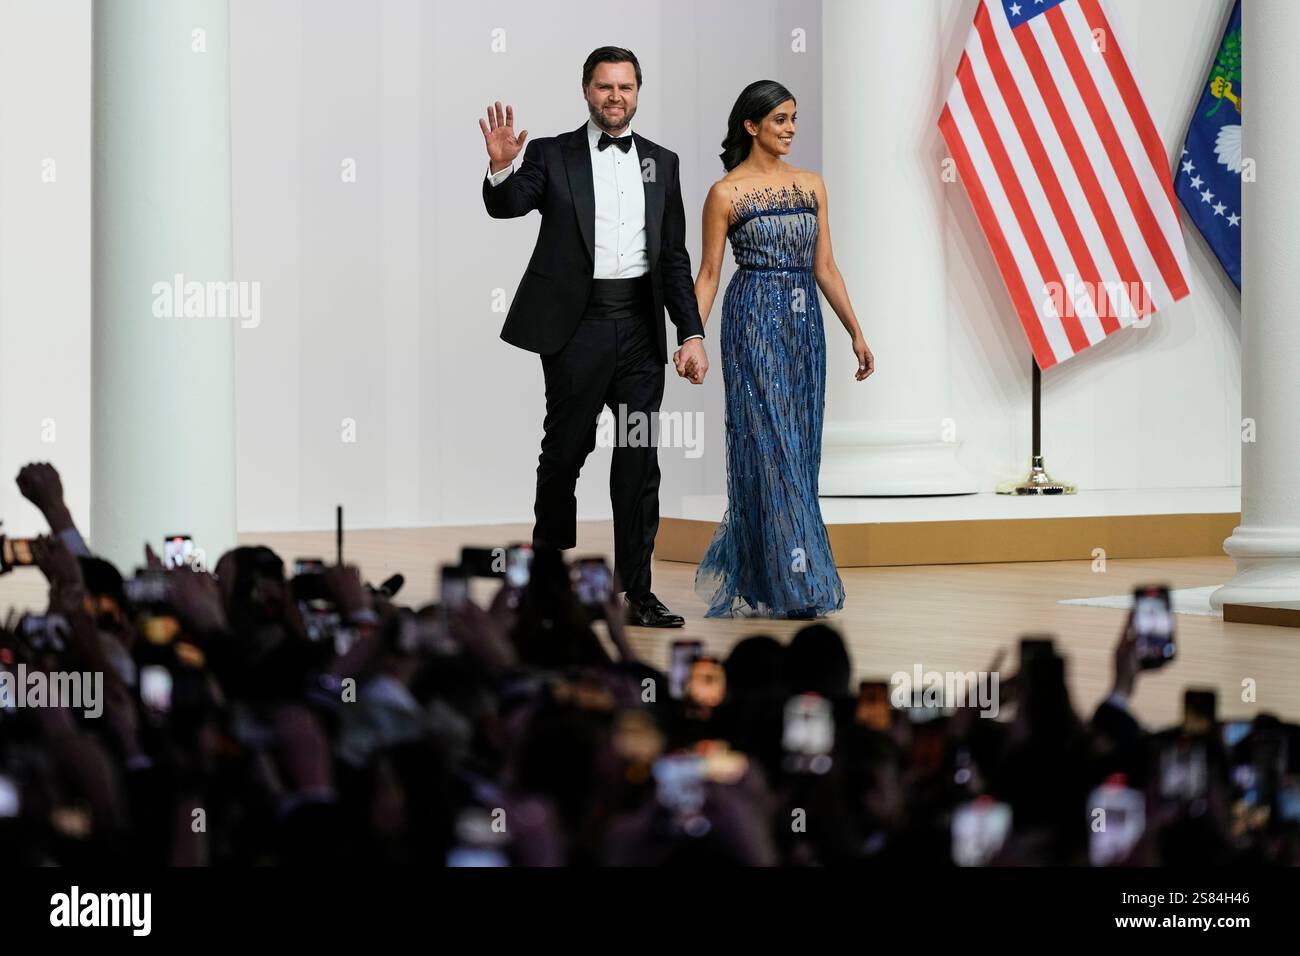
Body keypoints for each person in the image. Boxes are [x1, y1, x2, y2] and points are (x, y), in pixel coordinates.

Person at [479, 46, 707, 628]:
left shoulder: (662, 162)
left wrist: (692, 332)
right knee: (564, 454)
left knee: (639, 457)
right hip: (576, 331)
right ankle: (549, 586)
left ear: (638, 92)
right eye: (604, 86)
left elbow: (675, 257)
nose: (615, 96)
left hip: (638, 334)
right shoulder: (552, 155)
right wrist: (501, 168)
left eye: (625, 87)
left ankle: (637, 592)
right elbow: (507, 207)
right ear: (586, 90)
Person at [687, 81, 874, 619]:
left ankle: (772, 575)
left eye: (794, 118)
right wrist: (691, 338)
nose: (791, 128)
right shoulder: (725, 193)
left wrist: (855, 332)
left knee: (800, 448)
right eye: (779, 120)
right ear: (751, 126)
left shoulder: (811, 185)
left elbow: (826, 268)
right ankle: (799, 583)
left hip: (804, 330)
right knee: (770, 452)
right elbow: (708, 275)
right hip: (751, 326)